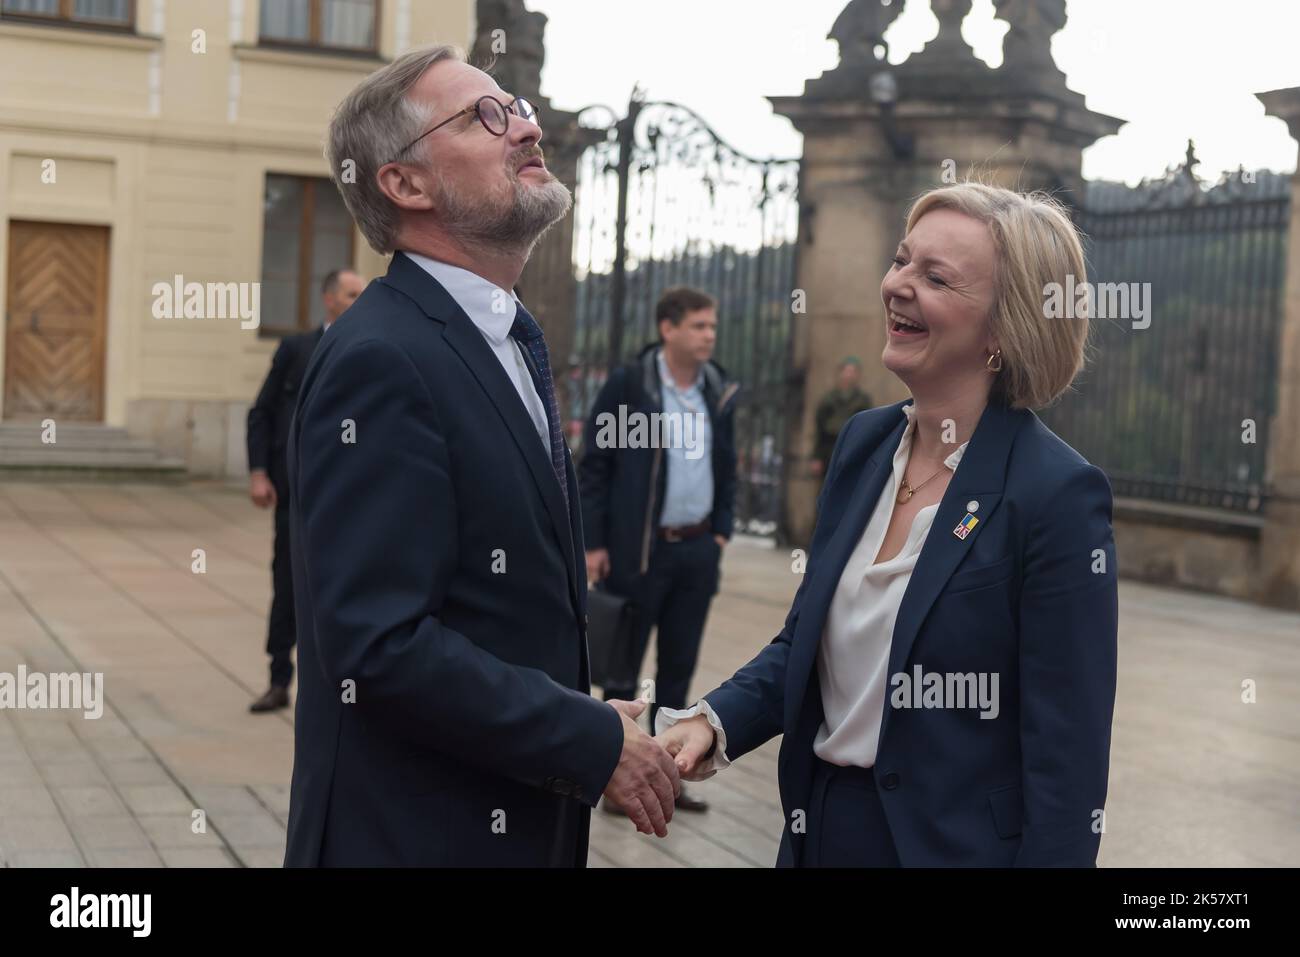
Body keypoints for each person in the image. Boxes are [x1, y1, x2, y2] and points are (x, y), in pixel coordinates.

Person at [283, 45, 679, 867]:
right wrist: (588, 737)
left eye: (518, 103)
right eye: (485, 116)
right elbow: (380, 645)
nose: (527, 127)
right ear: (406, 184)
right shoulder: (381, 358)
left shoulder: (506, 336)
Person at [657, 183, 1118, 867]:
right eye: (902, 260)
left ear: (1003, 327)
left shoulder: (1056, 495)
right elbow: (804, 641)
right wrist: (713, 720)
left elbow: (1068, 762)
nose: (897, 286)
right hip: (819, 835)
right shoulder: (864, 444)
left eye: (935, 277)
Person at [578, 286, 738, 814]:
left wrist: (719, 531)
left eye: (712, 326)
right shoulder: (632, 385)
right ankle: (613, 777)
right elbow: (596, 466)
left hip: (696, 551)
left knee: (678, 671)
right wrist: (595, 543)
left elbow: (726, 465)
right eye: (698, 325)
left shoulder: (717, 388)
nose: (709, 335)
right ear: (667, 329)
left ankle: (668, 776)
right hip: (638, 553)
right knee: (623, 670)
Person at [246, 268, 364, 713]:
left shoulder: (369, 349)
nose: (359, 302)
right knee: (288, 583)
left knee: (339, 589)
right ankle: (279, 678)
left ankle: (341, 685)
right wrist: (260, 471)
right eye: (351, 295)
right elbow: (261, 412)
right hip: (295, 495)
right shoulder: (295, 350)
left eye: (362, 295)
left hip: (348, 498)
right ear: (328, 299)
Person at [811, 357, 872, 491]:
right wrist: (816, 457)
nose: (849, 375)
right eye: (847, 371)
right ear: (840, 373)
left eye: (853, 371)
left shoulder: (862, 400)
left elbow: (867, 428)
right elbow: (819, 429)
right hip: (829, 449)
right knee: (826, 490)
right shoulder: (829, 399)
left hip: (851, 449)